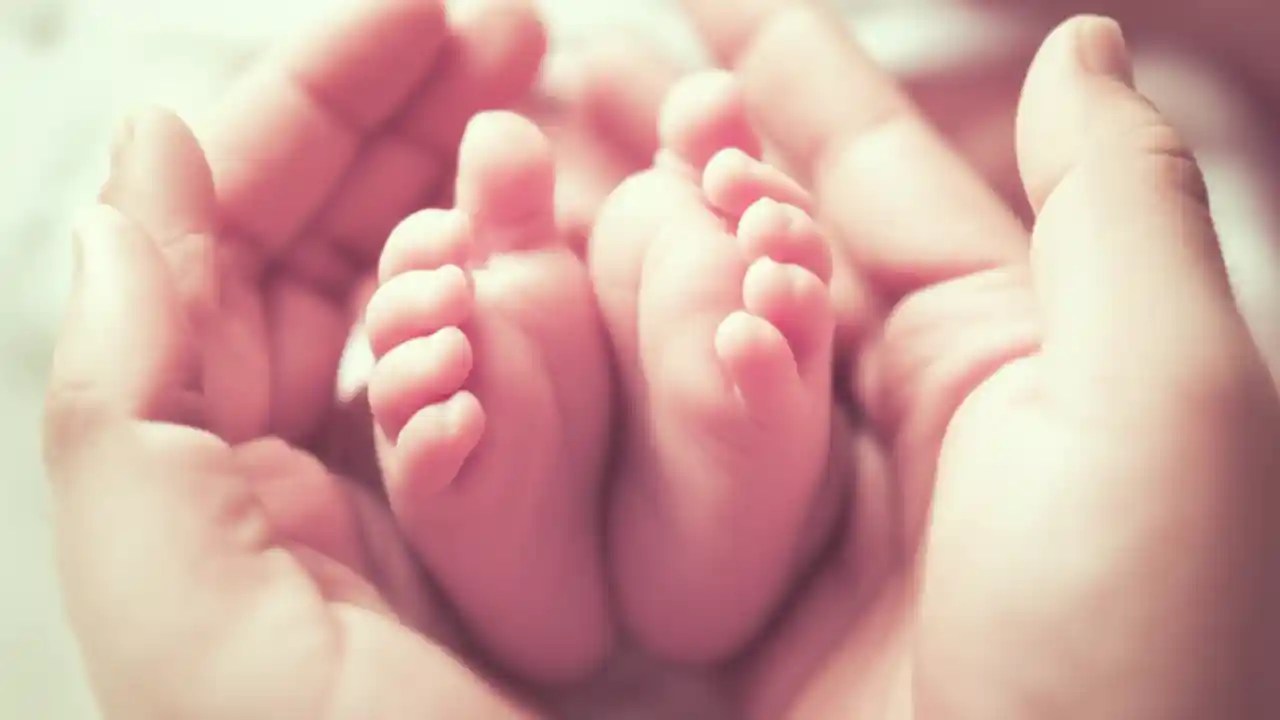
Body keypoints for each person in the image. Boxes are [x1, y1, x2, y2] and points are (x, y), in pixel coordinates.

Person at [44, 0, 1280, 718]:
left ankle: (640, 464)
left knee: (476, 278)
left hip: (827, 418)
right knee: (703, 244)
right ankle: (720, 465)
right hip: (873, 400)